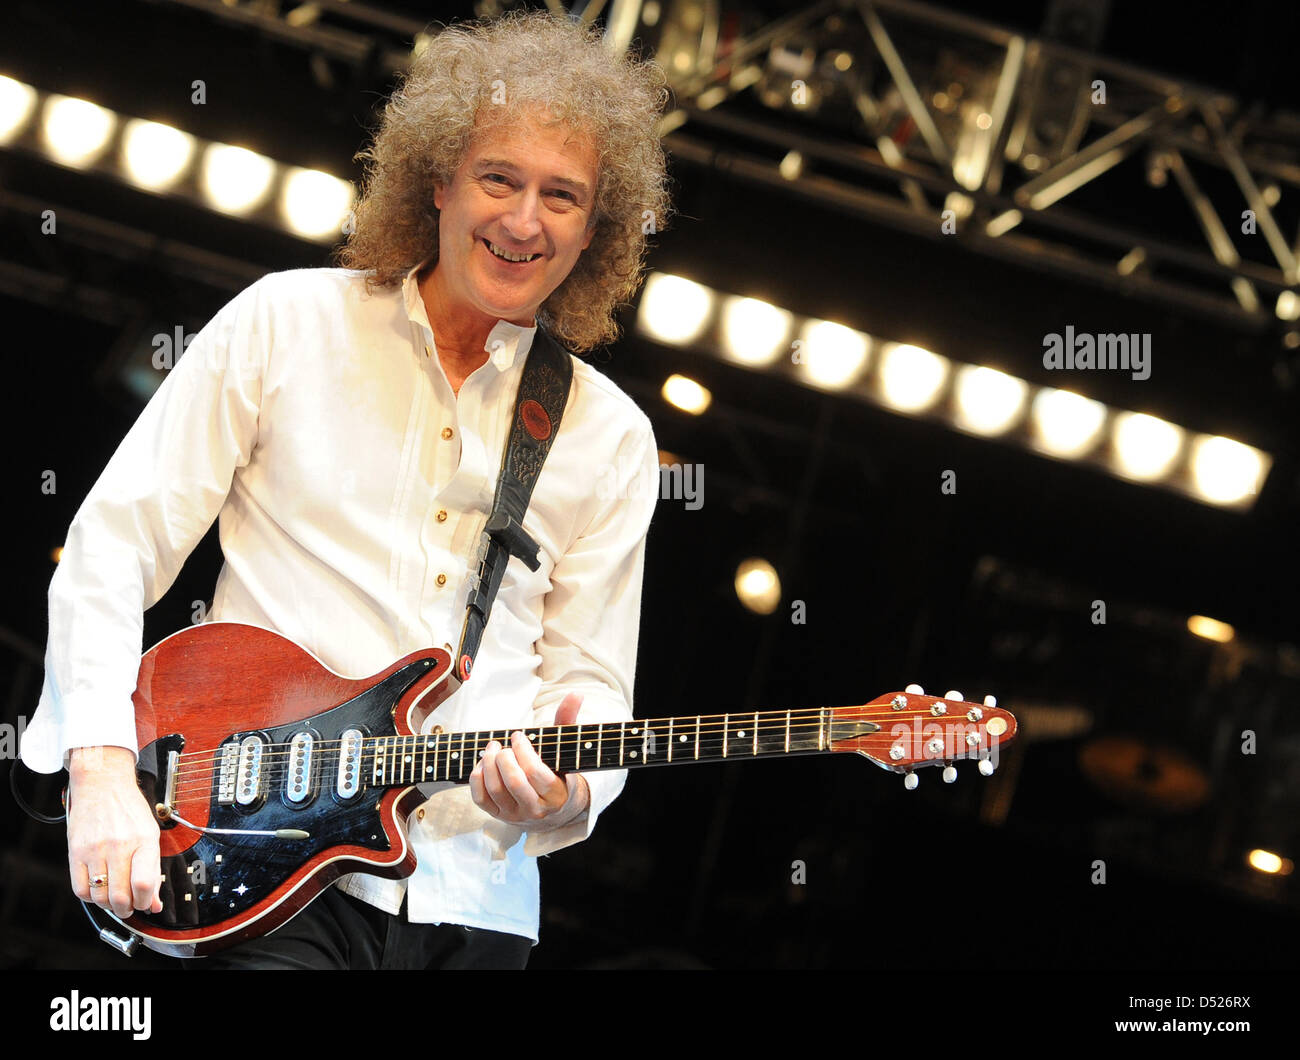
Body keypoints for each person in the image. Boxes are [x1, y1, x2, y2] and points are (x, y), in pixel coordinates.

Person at [19, 9, 674, 969]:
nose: (525, 221)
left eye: (562, 196)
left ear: (595, 229)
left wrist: (570, 787)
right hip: (261, 867)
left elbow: (590, 684)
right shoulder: (285, 324)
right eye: (500, 177)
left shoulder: (611, 435)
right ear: (439, 177)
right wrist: (106, 767)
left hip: (478, 900)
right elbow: (114, 548)